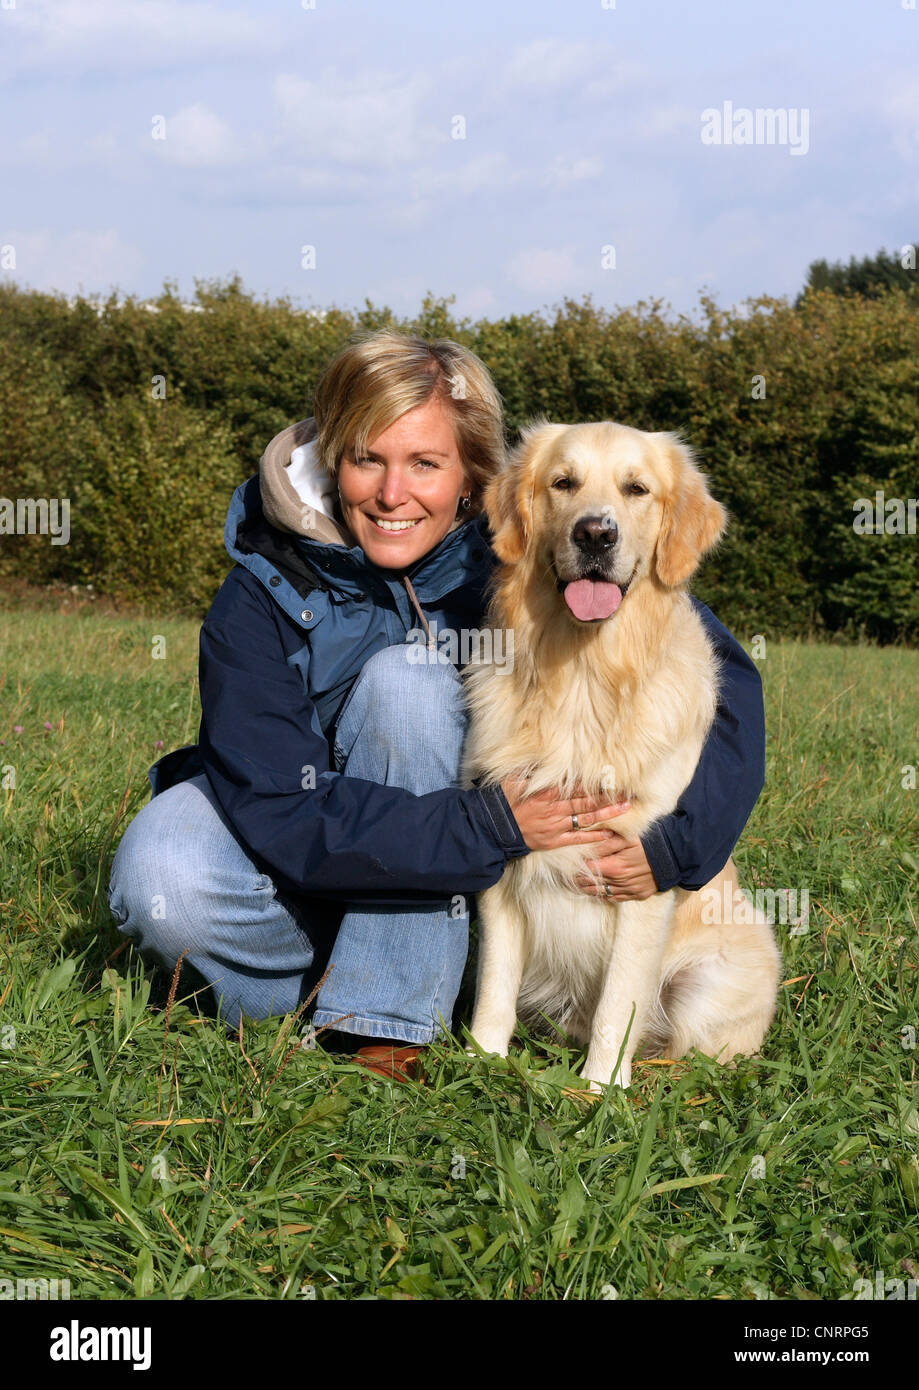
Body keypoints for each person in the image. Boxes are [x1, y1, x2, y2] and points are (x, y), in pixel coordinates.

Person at [107, 329, 765, 1082]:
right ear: (332, 456)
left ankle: (385, 1022)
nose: (393, 495)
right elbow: (272, 802)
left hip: (440, 876)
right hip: (309, 844)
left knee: (409, 684)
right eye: (367, 460)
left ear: (469, 474)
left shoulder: (519, 545)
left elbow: (726, 681)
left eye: (424, 463)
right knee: (161, 880)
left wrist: (675, 852)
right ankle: (364, 981)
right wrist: (483, 824)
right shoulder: (258, 589)